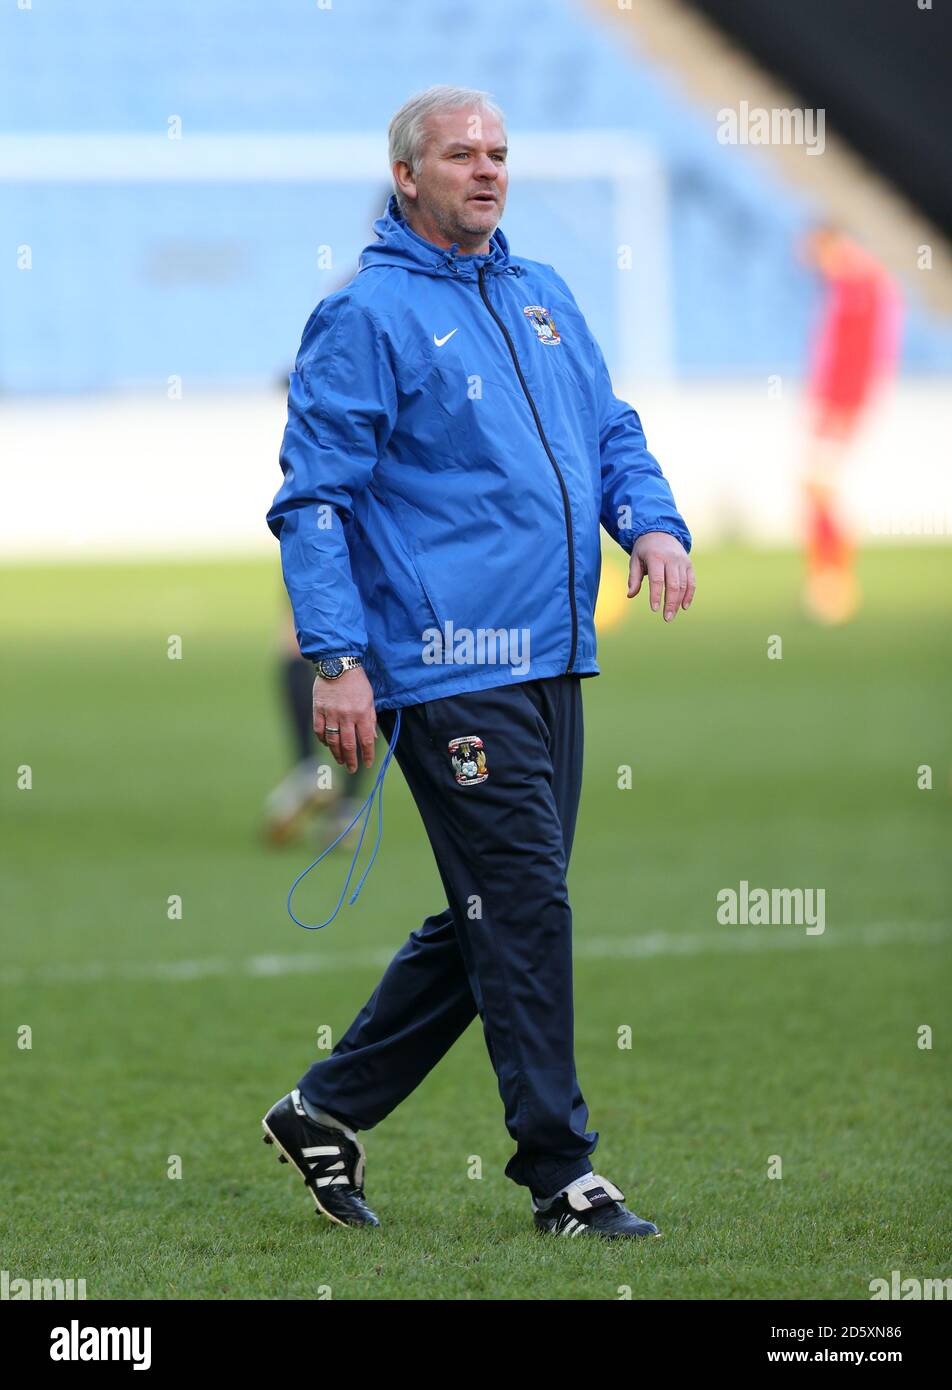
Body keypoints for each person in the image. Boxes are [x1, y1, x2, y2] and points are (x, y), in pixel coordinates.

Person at [261, 85, 695, 1240]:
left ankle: (324, 1107)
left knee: (503, 902)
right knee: (526, 902)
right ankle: (562, 1174)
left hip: (554, 651)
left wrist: (648, 521)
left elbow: (609, 431)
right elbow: (313, 503)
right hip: (445, 658)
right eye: (461, 154)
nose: (487, 169)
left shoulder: (541, 293)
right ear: (407, 175)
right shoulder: (365, 315)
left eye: (499, 151)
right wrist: (337, 657)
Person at [799, 225, 902, 624]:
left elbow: (860, 354)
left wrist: (843, 406)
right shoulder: (851, 284)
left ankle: (833, 578)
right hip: (836, 401)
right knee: (818, 486)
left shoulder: (860, 283)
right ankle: (829, 575)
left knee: (819, 486)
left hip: (844, 403)